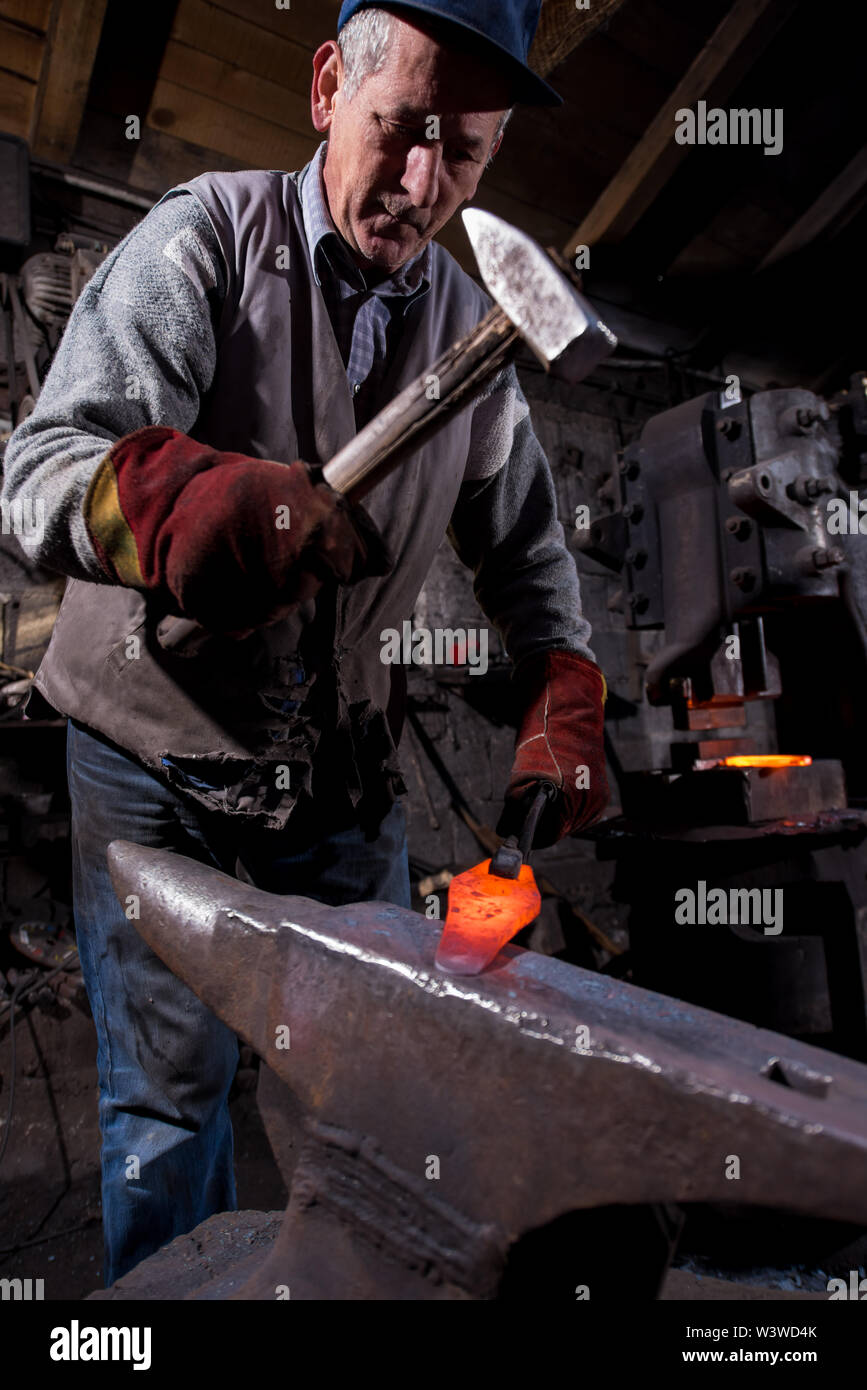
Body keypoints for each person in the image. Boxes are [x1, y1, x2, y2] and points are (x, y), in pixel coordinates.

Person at [1, 0, 608, 1286]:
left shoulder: (473, 333)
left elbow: (527, 548)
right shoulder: (203, 243)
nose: (425, 182)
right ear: (329, 83)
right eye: (402, 131)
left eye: (468, 153)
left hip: (337, 780)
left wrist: (564, 673)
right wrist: (172, 503)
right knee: (170, 1117)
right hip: (153, 774)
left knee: (383, 1095)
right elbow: (37, 474)